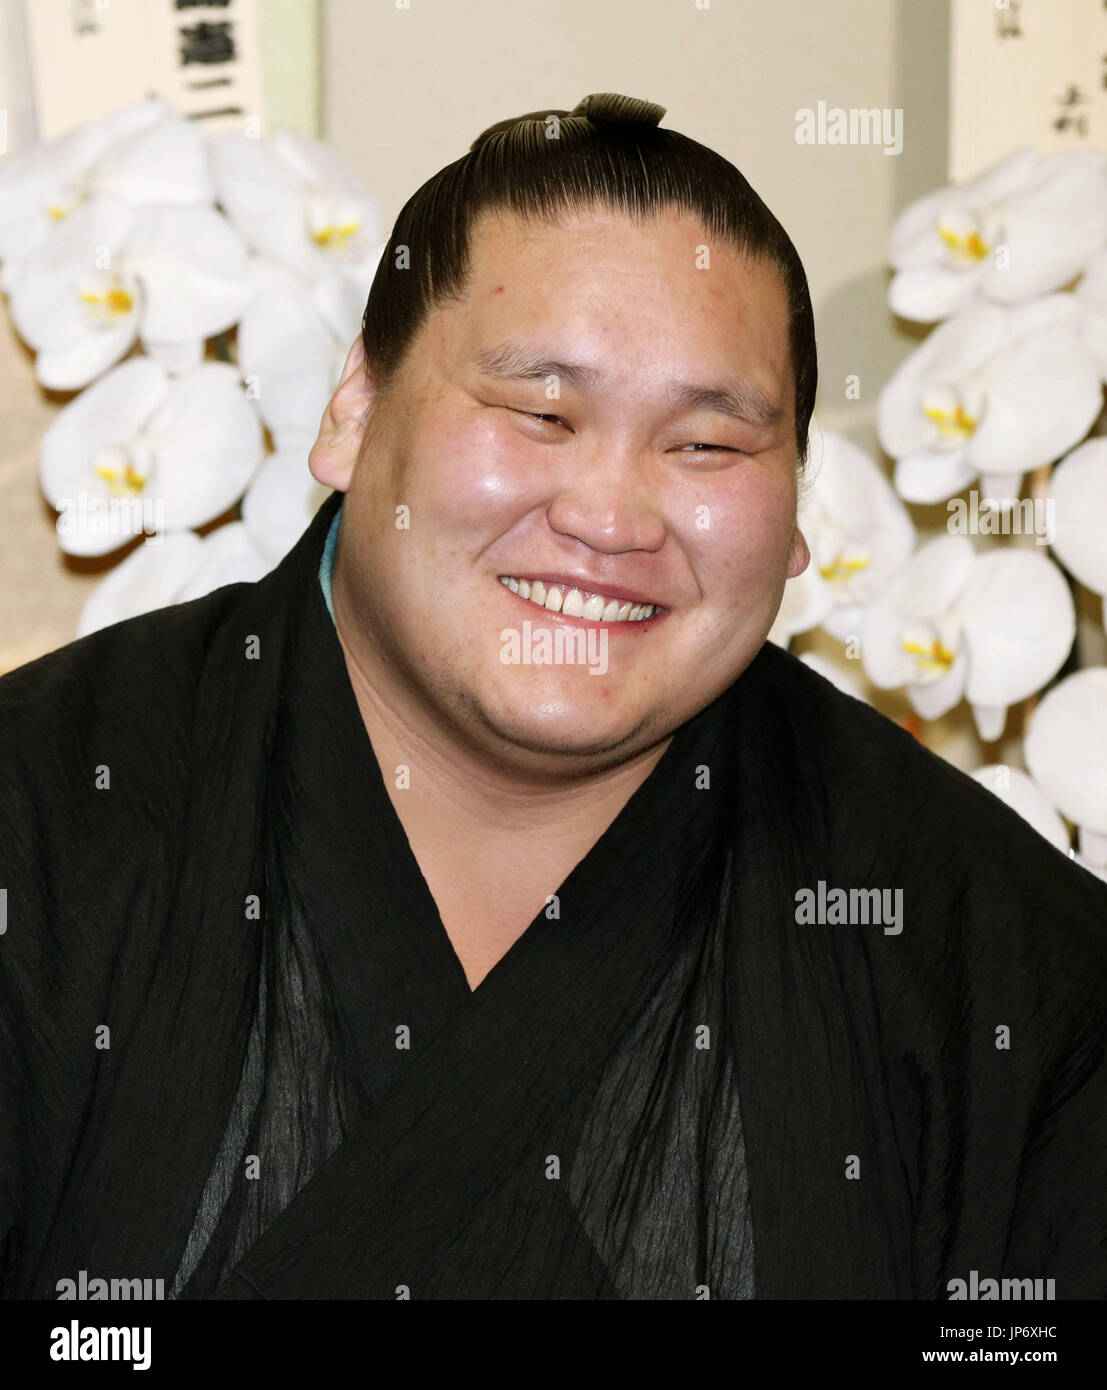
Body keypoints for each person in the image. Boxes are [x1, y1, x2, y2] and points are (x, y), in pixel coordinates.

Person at [1, 92, 1104, 1302]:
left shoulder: (995, 948)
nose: (611, 519)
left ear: (794, 510)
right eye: (540, 413)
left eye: (707, 446)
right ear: (352, 412)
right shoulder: (42, 819)